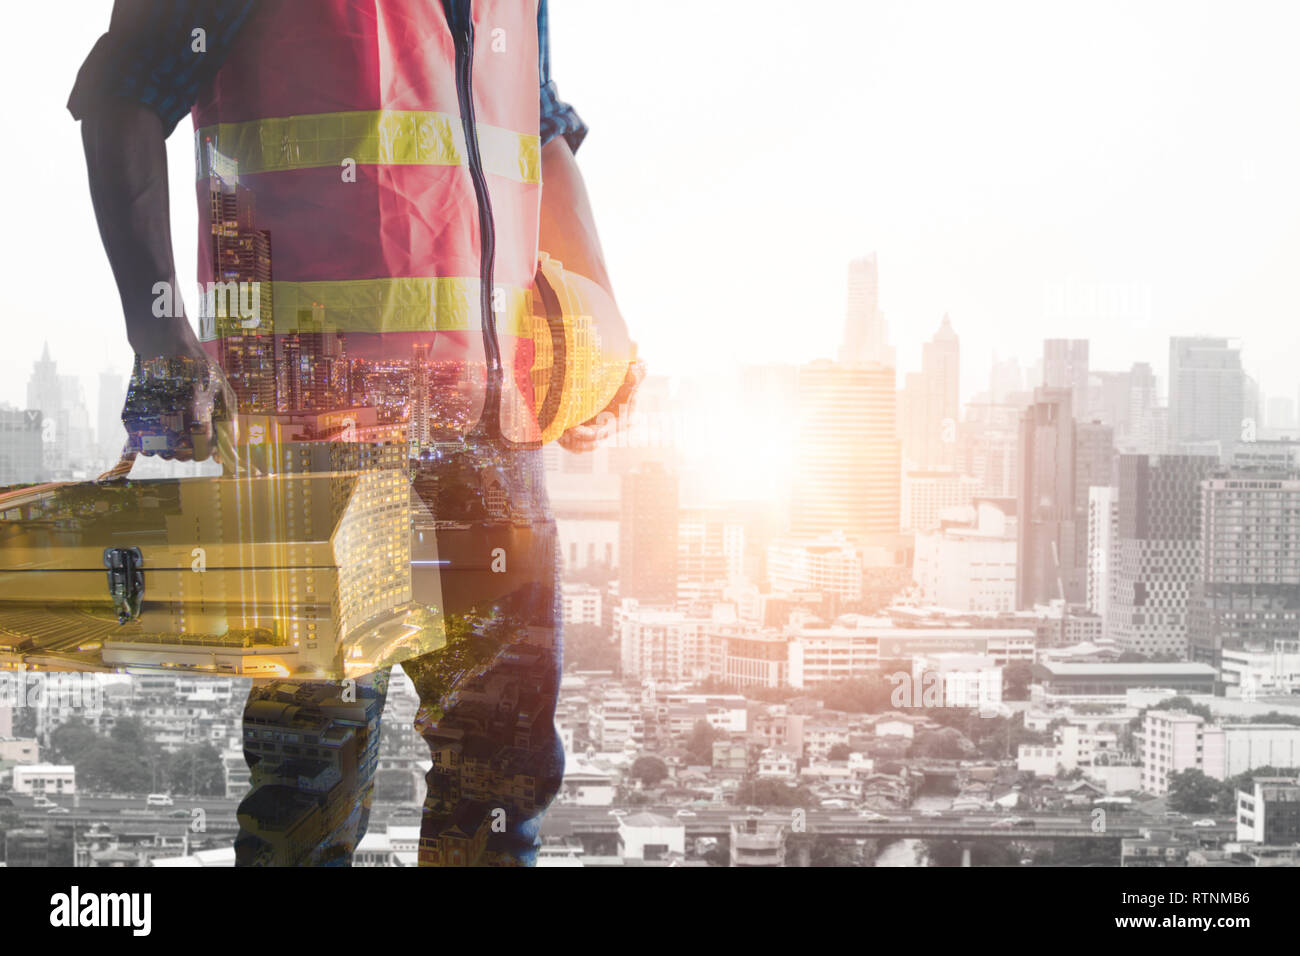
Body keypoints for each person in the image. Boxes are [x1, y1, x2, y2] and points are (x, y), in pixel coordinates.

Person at [70, 0, 640, 866]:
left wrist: (602, 328)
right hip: (320, 439)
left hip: (495, 428)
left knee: (503, 773)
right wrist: (159, 336)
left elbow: (539, 123)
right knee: (310, 791)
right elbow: (125, 91)